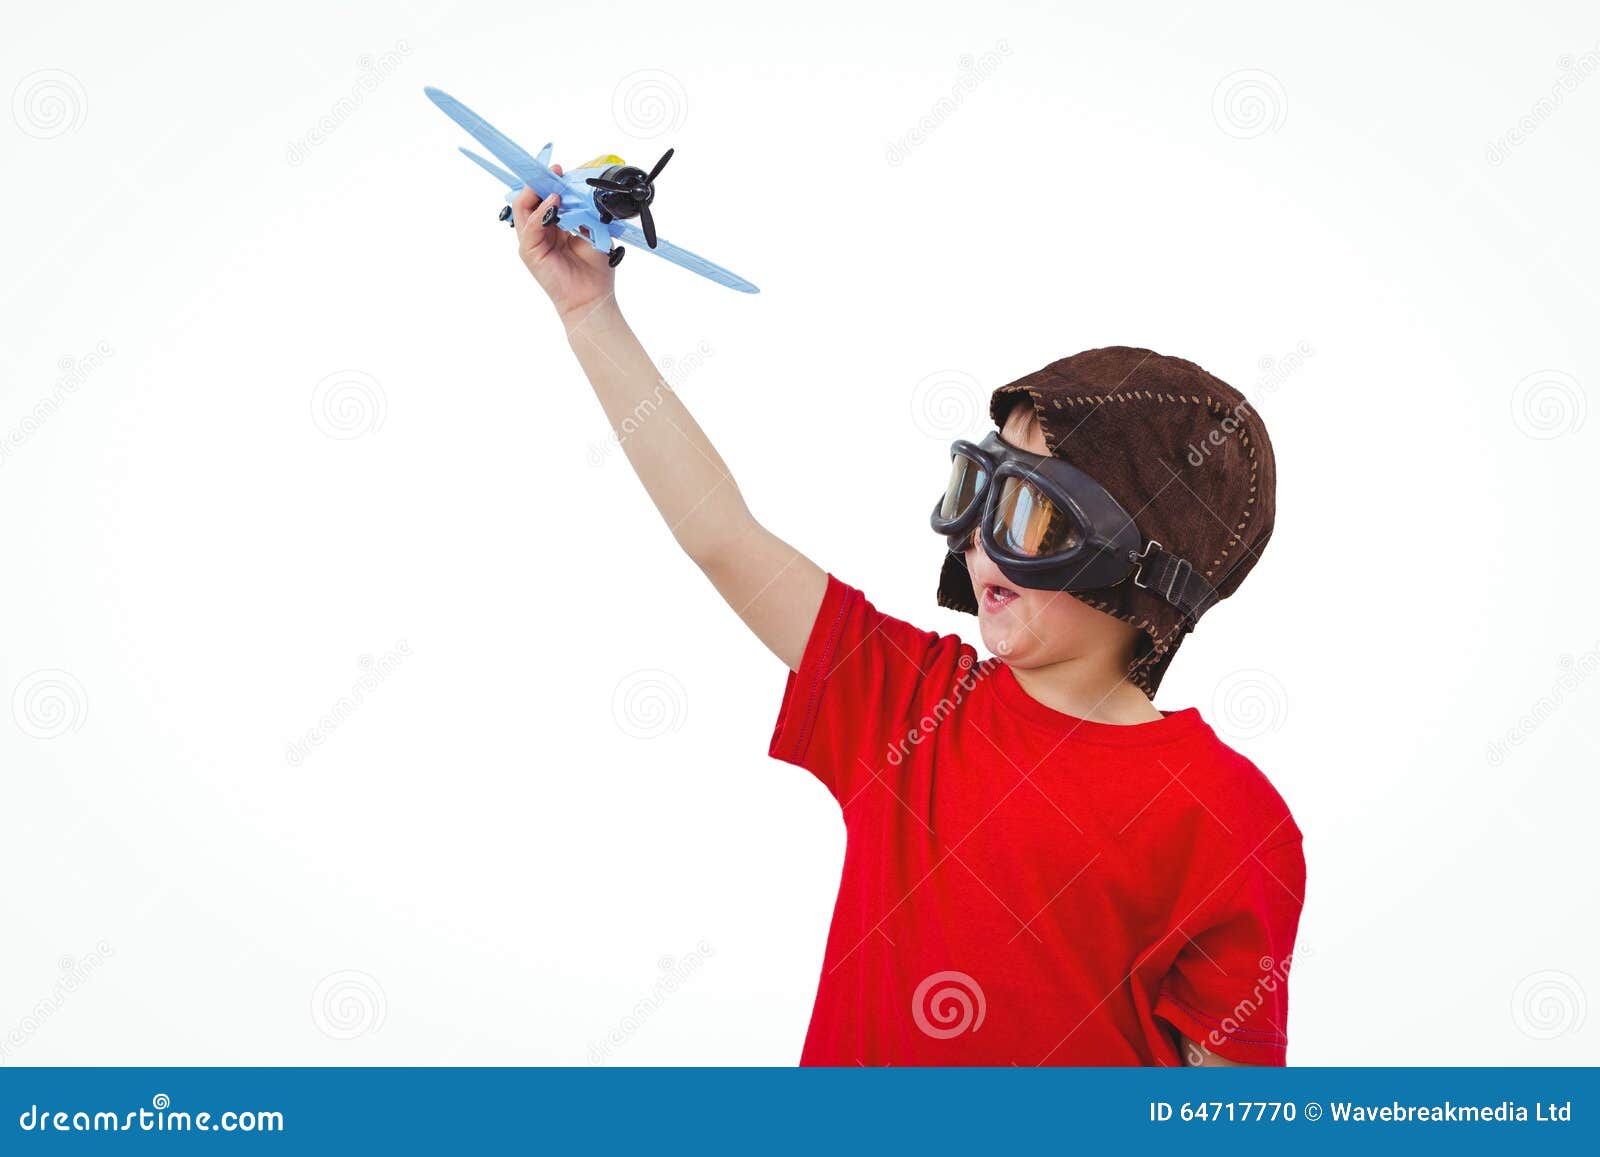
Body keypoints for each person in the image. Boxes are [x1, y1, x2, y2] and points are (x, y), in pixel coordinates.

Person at [506, 179, 1303, 1066]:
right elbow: (720, 534)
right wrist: (590, 314)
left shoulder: (1230, 817)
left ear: (1139, 569)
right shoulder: (911, 703)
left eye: (1031, 514)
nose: (982, 543)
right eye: (980, 491)